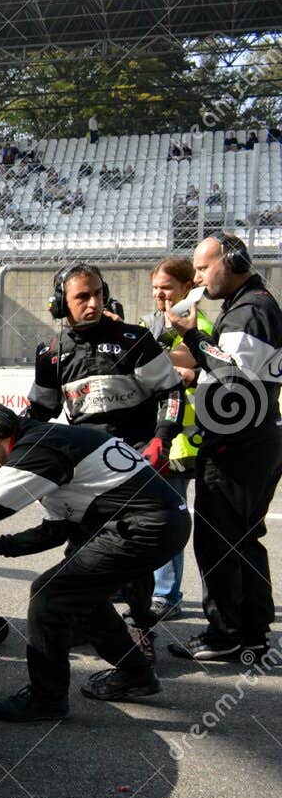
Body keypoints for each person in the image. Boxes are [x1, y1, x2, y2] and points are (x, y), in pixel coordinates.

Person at [0, 404, 189, 721]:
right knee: (83, 600)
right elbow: (55, 531)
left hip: (144, 527)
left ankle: (47, 700)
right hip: (160, 523)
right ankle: (135, 674)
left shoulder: (35, 452)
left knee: (49, 596)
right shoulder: (51, 442)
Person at [29, 263, 183, 660]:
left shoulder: (135, 339)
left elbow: (172, 392)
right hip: (85, 469)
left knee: (130, 551)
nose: (93, 303)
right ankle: (87, 622)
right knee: (83, 549)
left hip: (134, 463)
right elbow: (40, 413)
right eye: (82, 296)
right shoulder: (50, 353)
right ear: (60, 303)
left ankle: (139, 626)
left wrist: (160, 440)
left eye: (98, 293)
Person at [166, 233, 282, 661]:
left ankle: (226, 634)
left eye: (202, 267)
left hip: (240, 445)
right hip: (252, 438)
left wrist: (192, 336)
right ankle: (250, 633)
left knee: (220, 539)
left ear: (230, 261)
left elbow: (233, 378)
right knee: (243, 537)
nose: (197, 276)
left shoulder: (252, 310)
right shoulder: (250, 305)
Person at [140, 256, 215, 621]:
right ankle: (147, 591)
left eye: (167, 288)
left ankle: (166, 596)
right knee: (146, 516)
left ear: (187, 288)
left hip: (181, 444)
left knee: (166, 518)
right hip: (149, 438)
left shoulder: (196, 325)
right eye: (156, 287)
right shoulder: (150, 322)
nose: (160, 294)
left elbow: (161, 365)